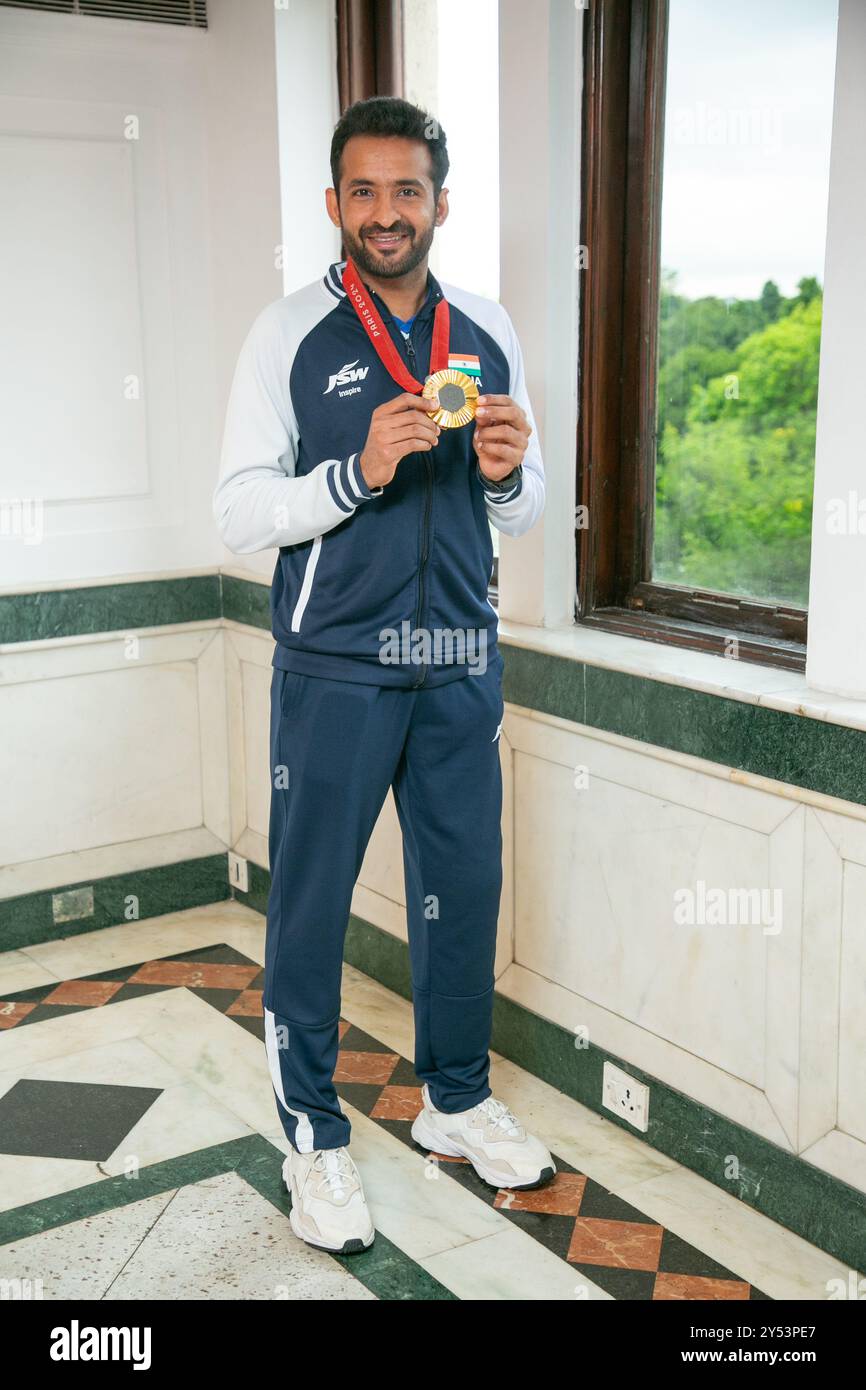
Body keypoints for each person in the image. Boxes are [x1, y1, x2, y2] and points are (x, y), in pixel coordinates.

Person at [213, 95, 553, 1256]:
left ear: (439, 203)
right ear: (333, 205)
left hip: (457, 660)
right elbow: (235, 509)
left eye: (406, 190)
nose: (385, 212)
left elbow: (528, 500)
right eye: (362, 191)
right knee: (307, 913)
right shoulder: (288, 336)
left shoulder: (488, 329)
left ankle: (452, 1102)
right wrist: (351, 473)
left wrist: (505, 475)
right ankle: (312, 1135)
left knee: (460, 899)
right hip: (335, 668)